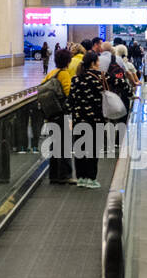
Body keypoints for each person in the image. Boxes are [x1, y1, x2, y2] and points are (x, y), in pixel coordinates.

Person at [67, 51, 106, 188]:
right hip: (94, 120)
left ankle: (81, 178)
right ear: (93, 63)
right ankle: (91, 178)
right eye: (97, 61)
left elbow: (70, 101)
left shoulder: (75, 79)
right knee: (93, 149)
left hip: (78, 119)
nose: (99, 63)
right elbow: (102, 100)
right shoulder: (97, 80)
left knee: (80, 149)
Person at [40, 47, 75, 184]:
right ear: (68, 61)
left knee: (54, 144)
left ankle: (53, 174)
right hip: (62, 113)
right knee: (65, 144)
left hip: (50, 112)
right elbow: (68, 93)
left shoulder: (52, 73)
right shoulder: (64, 74)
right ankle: (65, 174)